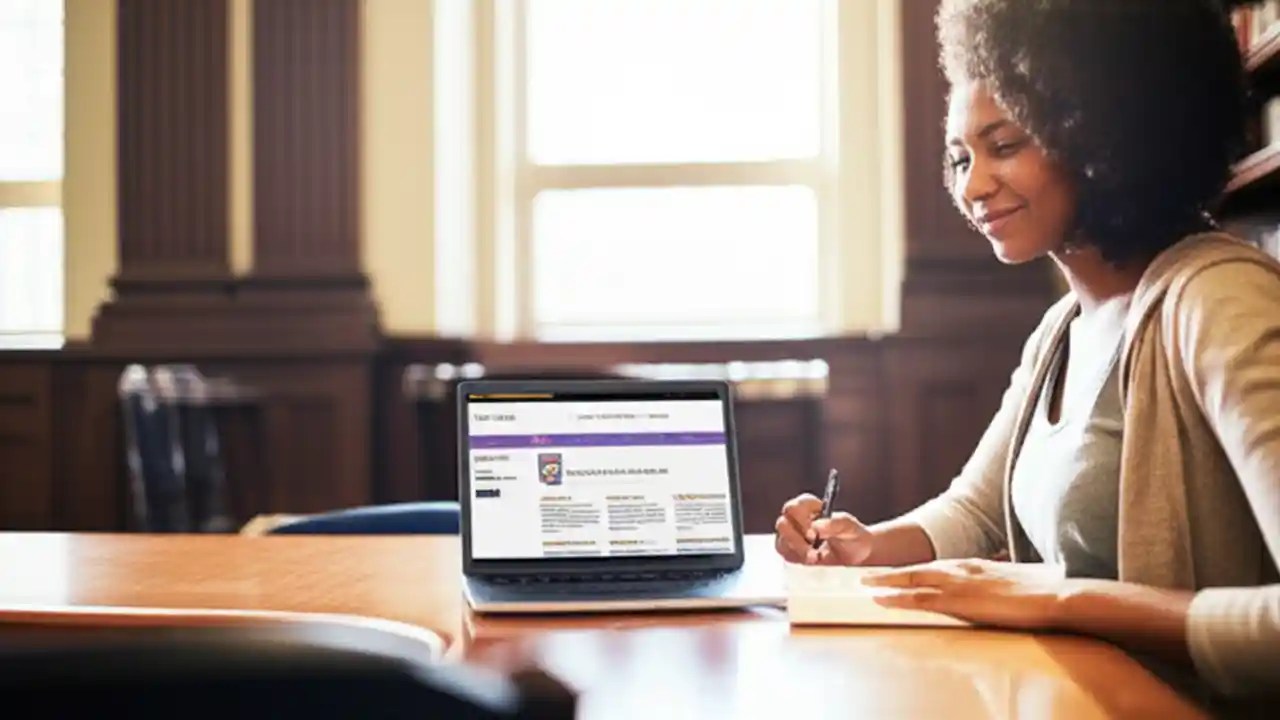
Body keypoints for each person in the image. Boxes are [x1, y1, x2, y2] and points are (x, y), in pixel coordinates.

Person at [773, 0, 1279, 703]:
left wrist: (1060, 601)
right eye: (959, 158)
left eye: (1005, 146)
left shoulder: (1220, 302)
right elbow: (975, 513)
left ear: (1106, 135)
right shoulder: (1062, 328)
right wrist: (867, 546)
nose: (973, 187)